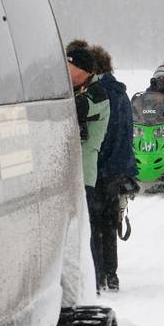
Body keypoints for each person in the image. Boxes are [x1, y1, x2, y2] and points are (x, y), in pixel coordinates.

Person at [83, 42, 137, 292]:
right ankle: (111, 274)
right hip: (118, 167)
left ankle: (99, 275)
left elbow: (106, 134)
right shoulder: (121, 92)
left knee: (96, 224)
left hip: (102, 166)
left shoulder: (100, 93)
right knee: (109, 221)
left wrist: (100, 162)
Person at [65, 46, 110, 274]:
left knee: (85, 232)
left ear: (83, 71)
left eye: (70, 67)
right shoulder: (71, 90)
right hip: (61, 177)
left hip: (84, 176)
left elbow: (76, 108)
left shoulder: (97, 94)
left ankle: (93, 279)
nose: (66, 71)